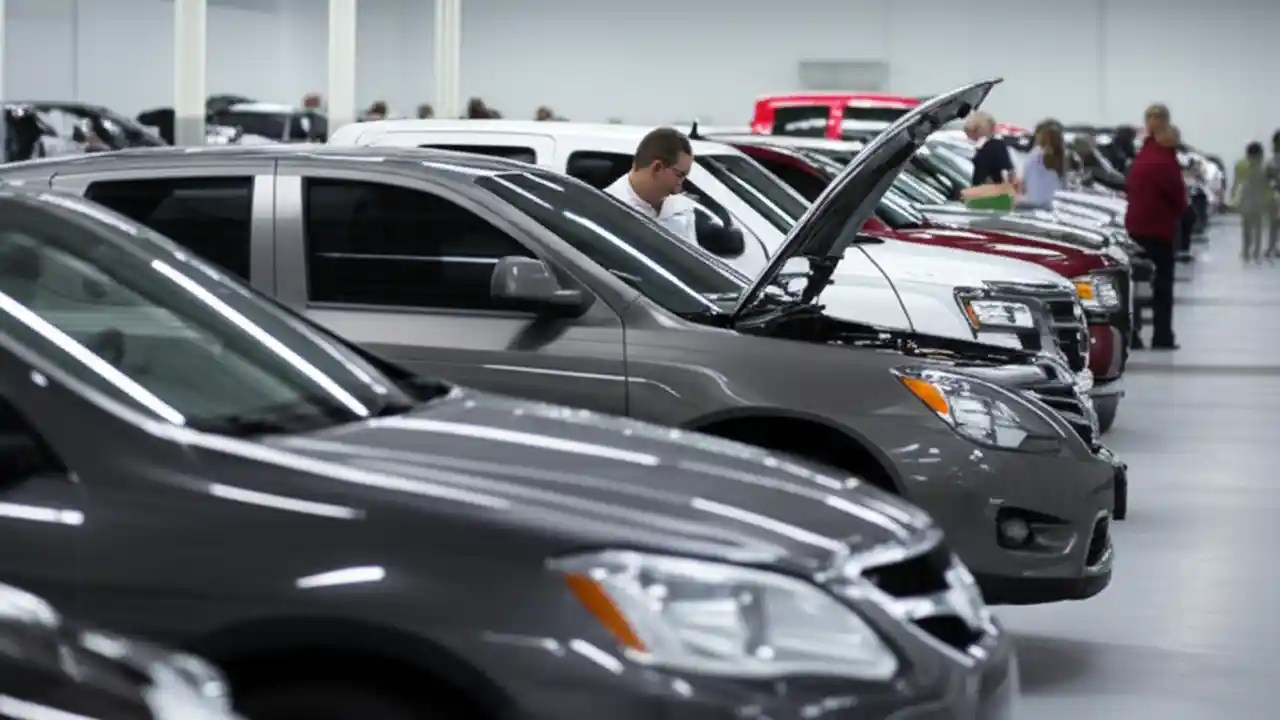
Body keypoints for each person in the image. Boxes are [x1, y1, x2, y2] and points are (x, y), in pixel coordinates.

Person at [1125, 122, 1187, 350]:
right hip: (1159, 230)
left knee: (1136, 284)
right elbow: (1179, 199)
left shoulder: (1143, 156)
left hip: (1135, 228)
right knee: (1162, 284)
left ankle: (1133, 333)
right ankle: (1162, 336)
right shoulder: (1166, 161)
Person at [604, 127, 698, 245]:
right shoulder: (608, 211)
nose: (679, 187)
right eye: (679, 175)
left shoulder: (680, 207)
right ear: (657, 168)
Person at [1232, 141, 1270, 261]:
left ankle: (1252, 250)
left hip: (1254, 201)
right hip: (1251, 200)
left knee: (1254, 227)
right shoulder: (1261, 167)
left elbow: (1236, 183)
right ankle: (1249, 250)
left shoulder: (1262, 168)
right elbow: (1237, 183)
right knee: (1250, 227)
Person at [1014, 121, 1065, 208]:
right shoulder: (1059, 157)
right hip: (1047, 203)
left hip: (1030, 202)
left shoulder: (1037, 154)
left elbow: (1025, 177)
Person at [964, 111, 1015, 186]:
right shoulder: (994, 145)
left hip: (989, 192)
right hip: (988, 191)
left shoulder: (994, 146)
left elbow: (1007, 171)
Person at [1267, 130, 1280, 257]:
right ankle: (1272, 247)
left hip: (1276, 193)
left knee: (1275, 223)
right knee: (1275, 222)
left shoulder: (1273, 161)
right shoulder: (1273, 161)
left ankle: (1272, 247)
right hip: (1276, 194)